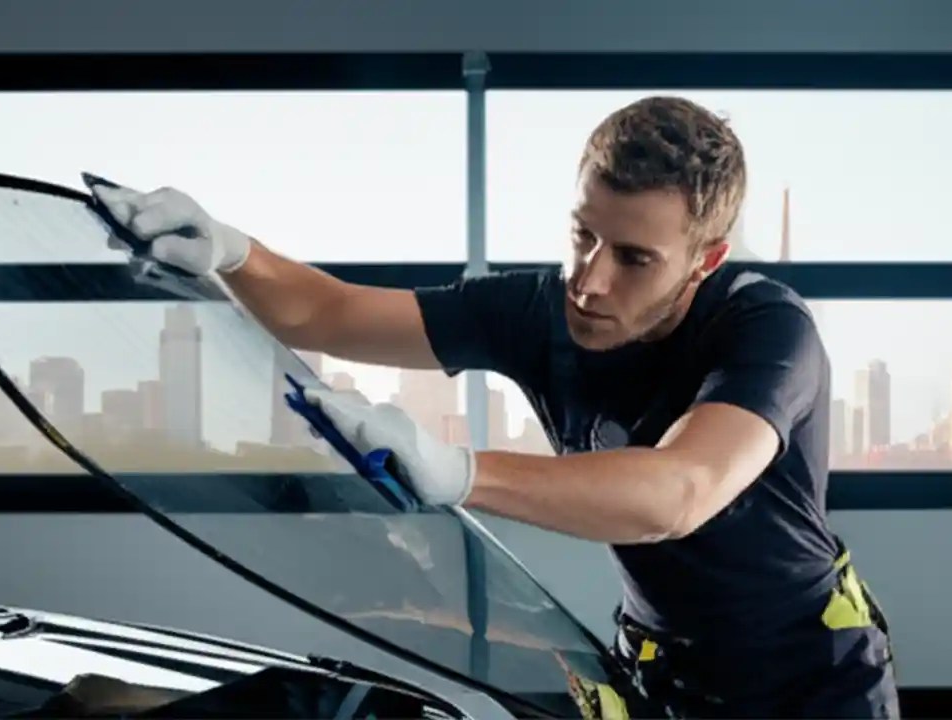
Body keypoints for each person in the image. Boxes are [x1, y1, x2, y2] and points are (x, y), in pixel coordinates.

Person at [91, 95, 900, 718]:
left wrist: (458, 471)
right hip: (657, 671)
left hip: (811, 681)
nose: (589, 279)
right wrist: (232, 249)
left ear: (705, 259)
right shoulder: (542, 311)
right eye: (582, 235)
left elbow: (677, 493)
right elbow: (330, 315)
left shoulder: (768, 328)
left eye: (634, 258)